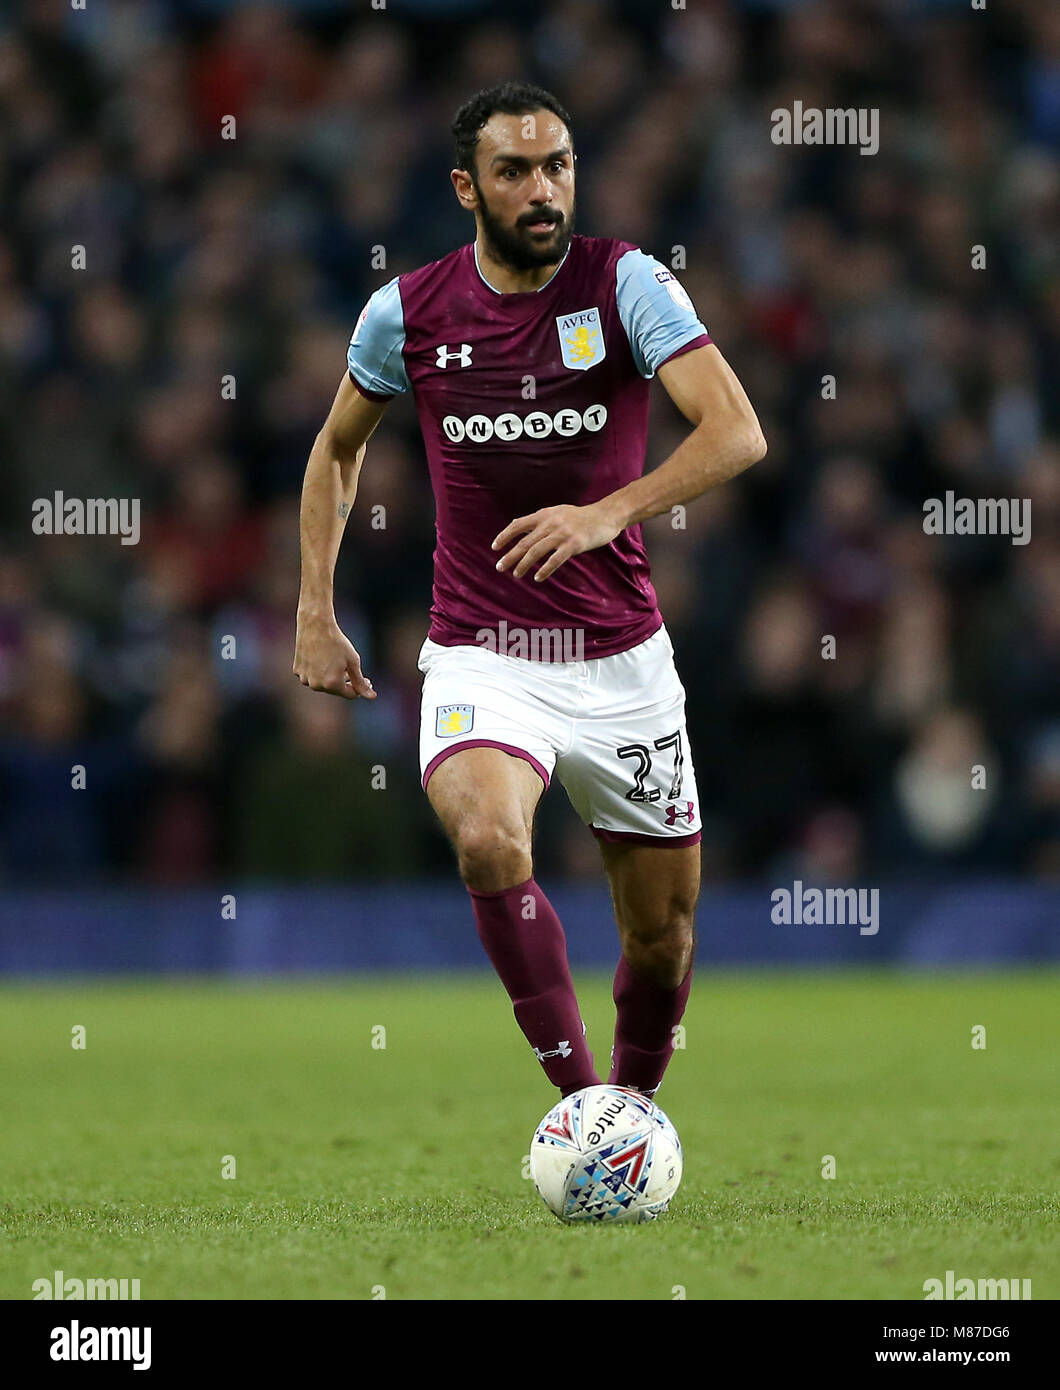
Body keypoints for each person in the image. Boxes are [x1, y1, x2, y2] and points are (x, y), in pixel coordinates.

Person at [294, 82, 766, 1102]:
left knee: (660, 935)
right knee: (487, 838)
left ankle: (634, 1113)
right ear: (469, 186)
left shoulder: (627, 285)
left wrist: (608, 512)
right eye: (514, 170)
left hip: (622, 659)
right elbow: (336, 451)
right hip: (482, 653)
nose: (542, 189)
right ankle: (585, 1107)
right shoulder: (405, 314)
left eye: (557, 165)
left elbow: (736, 430)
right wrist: (314, 611)